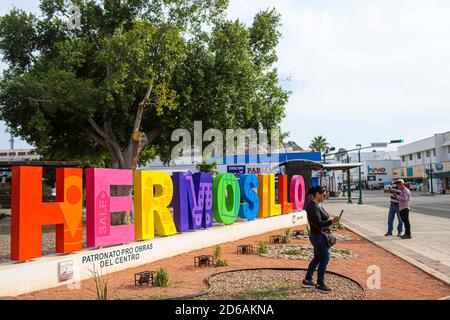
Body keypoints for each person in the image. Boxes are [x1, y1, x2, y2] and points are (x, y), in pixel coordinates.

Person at [301, 186, 341, 293]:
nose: (325, 196)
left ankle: (307, 279)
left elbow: (323, 219)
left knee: (317, 258)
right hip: (318, 236)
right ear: (317, 194)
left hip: (319, 236)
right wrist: (331, 222)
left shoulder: (317, 205)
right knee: (325, 258)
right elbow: (318, 223)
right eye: (323, 194)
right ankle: (320, 284)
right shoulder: (312, 207)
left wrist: (332, 221)